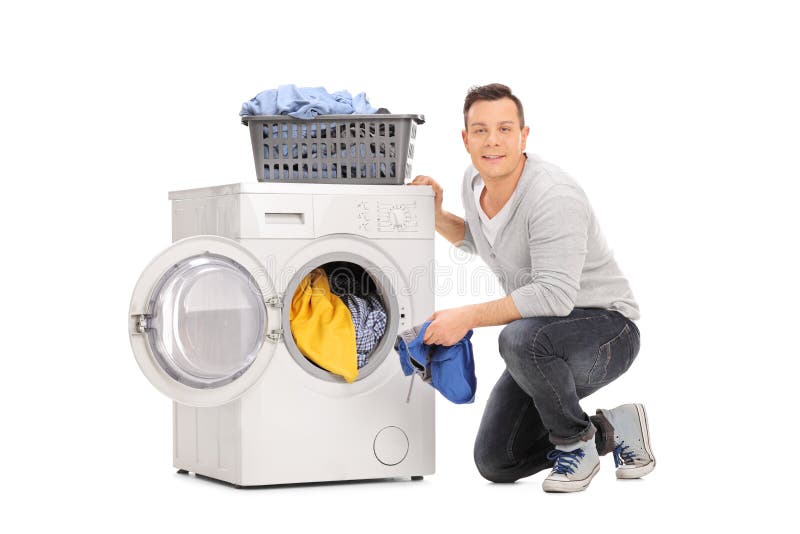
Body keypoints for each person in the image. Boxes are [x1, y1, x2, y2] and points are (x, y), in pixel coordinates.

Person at [409, 83, 655, 493]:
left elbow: (553, 296)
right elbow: (480, 240)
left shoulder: (552, 196)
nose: (492, 140)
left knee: (518, 338)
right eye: (481, 130)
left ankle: (575, 445)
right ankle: (614, 428)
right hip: (544, 338)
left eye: (505, 129)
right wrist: (434, 215)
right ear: (465, 139)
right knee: (497, 460)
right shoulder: (474, 182)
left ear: (524, 136)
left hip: (607, 333)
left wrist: (464, 317)